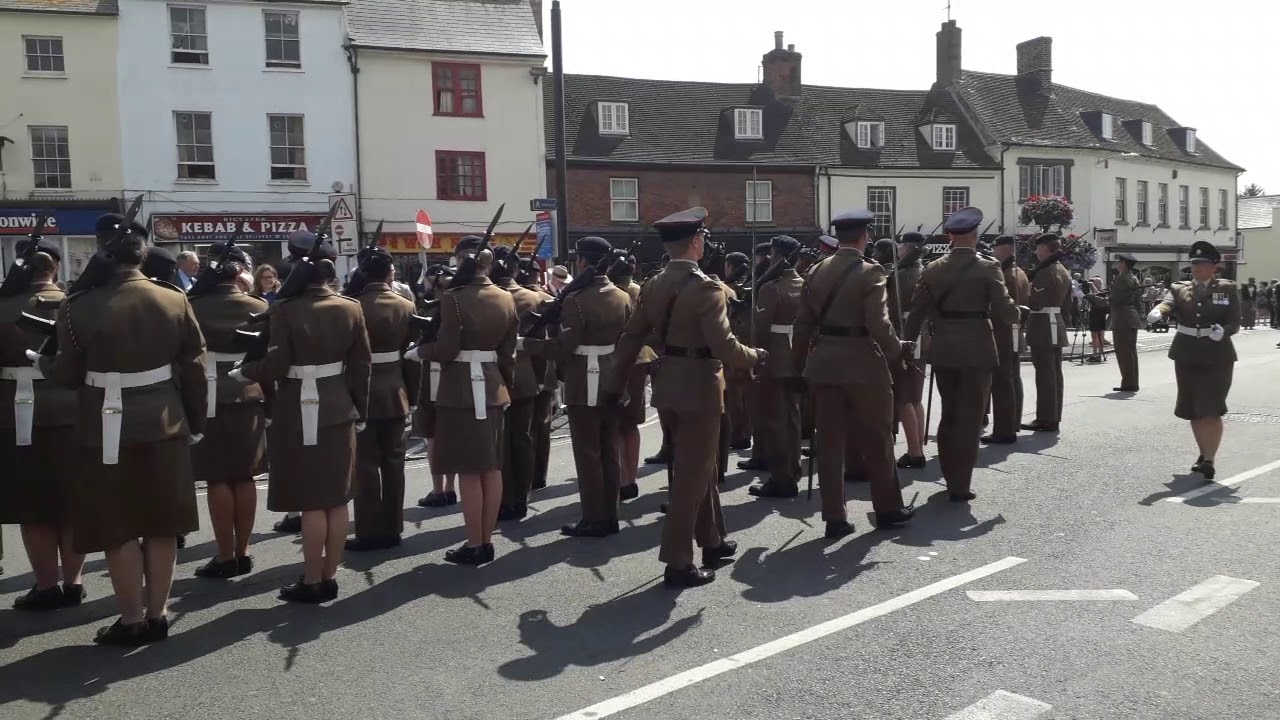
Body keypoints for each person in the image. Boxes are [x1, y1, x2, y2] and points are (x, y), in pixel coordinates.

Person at [42, 214, 207, 645]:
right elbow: (193, 366)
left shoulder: (77, 305)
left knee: (119, 525)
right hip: (165, 419)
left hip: (105, 425)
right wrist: (196, 419)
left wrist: (44, 363)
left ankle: (131, 618)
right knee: (161, 522)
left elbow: (68, 375)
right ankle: (158, 614)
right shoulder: (173, 298)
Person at [608, 207, 764, 588]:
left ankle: (712, 540)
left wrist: (612, 385)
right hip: (700, 386)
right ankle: (678, 561)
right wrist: (755, 356)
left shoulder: (653, 284)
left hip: (669, 384)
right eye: (703, 238)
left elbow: (631, 338)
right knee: (692, 477)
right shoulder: (706, 288)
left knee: (700, 467)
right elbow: (724, 346)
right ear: (696, 241)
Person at [234, 234, 371, 602]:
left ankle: (312, 579)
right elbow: (361, 366)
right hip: (339, 404)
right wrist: (360, 408)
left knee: (312, 500)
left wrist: (248, 371)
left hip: (298, 406)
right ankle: (330, 573)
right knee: (338, 498)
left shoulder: (285, 309)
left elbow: (276, 365)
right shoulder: (349, 307)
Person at [792, 211, 914, 534]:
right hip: (863, 363)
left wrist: (797, 369)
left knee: (830, 442)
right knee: (878, 437)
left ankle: (834, 515)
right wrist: (898, 349)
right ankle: (887, 508)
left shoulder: (816, 271)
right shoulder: (870, 272)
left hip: (824, 365)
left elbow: (802, 326)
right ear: (864, 236)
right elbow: (879, 323)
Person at [902, 208, 1020, 502]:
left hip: (943, 346)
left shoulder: (933, 268)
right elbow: (1006, 311)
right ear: (975, 235)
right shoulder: (989, 267)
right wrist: (1020, 314)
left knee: (949, 414)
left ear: (950, 236)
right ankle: (959, 484)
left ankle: (948, 470)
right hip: (977, 347)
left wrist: (906, 344)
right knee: (969, 417)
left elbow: (916, 312)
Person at [415, 237, 517, 565]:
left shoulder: (454, 299)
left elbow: (446, 349)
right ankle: (485, 540)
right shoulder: (505, 297)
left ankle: (475, 542)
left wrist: (421, 351)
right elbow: (507, 353)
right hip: (493, 385)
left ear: (461, 261)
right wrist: (505, 387)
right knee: (491, 466)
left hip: (460, 388)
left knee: (470, 471)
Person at [524, 237, 633, 537]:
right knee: (609, 450)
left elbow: (563, 348)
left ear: (583, 262)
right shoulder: (621, 295)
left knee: (587, 453)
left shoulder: (576, 300)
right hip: (613, 379)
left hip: (585, 382)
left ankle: (593, 518)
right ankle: (610, 514)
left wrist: (528, 344)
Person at [0, 237, 86, 610]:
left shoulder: (4, 305)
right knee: (71, 498)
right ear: (55, 268)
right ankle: (74, 581)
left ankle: (46, 585)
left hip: (19, 413)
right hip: (73, 409)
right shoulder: (77, 305)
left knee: (33, 503)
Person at [186, 242, 268, 578]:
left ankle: (224, 554)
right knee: (244, 475)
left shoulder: (193, 305)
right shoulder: (258, 304)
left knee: (219, 478)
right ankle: (243, 550)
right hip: (248, 392)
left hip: (209, 397)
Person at [1147, 241, 1240, 481]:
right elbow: (1169, 302)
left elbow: (1234, 321)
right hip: (1187, 353)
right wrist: (1159, 311)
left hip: (1217, 355)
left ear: (1214, 266)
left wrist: (1225, 331)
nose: (1197, 268)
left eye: (1202, 264)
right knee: (1194, 408)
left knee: (1211, 406)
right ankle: (1203, 453)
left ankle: (1209, 459)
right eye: (1194, 264)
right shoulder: (1180, 288)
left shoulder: (1227, 289)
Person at [348, 246, 419, 551]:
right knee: (394, 462)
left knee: (365, 464)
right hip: (395, 387)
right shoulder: (405, 305)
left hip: (360, 391)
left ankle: (369, 530)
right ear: (390, 273)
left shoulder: (352, 305)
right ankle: (393, 526)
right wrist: (412, 396)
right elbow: (412, 357)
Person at [490, 245, 551, 522]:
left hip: (493, 375)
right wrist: (540, 378)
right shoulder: (533, 297)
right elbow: (540, 343)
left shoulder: (487, 297)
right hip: (526, 372)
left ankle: (505, 499)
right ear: (517, 270)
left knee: (501, 440)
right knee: (523, 438)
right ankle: (522, 498)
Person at [746, 235, 805, 499]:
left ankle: (782, 478)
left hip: (775, 356)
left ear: (777, 255)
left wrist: (753, 358)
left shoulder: (771, 288)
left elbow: (760, 328)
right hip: (797, 355)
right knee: (792, 417)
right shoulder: (805, 284)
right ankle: (793, 468)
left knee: (774, 419)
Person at [607, 252, 652, 501]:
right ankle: (630, 479)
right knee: (631, 423)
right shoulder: (641, 291)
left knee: (615, 424)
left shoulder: (615, 293)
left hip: (617, 359)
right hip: (640, 359)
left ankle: (620, 477)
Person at [982, 234, 1030, 445]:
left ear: (1006, 250)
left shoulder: (1005, 274)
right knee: (1012, 378)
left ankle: (1004, 429)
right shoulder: (1019, 272)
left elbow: (1000, 306)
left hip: (1002, 330)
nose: (993, 252)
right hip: (1014, 328)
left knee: (1002, 381)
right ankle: (1013, 422)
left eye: (996, 248)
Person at [1022, 233, 1072, 433]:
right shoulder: (1063, 270)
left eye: (1038, 248)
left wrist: (1026, 290)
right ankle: (1053, 416)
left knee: (1045, 375)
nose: (1035, 252)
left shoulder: (1046, 272)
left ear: (1045, 249)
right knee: (1054, 373)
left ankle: (1045, 418)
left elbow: (1035, 302)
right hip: (1056, 323)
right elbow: (1067, 305)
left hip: (1043, 324)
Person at [890, 231, 930, 461]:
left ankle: (915, 451)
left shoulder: (900, 274)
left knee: (904, 397)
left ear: (907, 248)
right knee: (915, 396)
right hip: (923, 335)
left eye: (901, 246)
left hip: (905, 333)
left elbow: (893, 310)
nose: (899, 249)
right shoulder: (925, 271)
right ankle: (918, 448)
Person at [723, 251, 753, 452]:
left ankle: (738, 434)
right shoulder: (753, 285)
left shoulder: (731, 289)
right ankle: (745, 432)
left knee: (734, 393)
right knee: (745, 393)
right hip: (750, 344)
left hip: (736, 343)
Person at [1108, 254, 1143, 391]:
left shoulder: (1122, 278)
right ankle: (1132, 382)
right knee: (1130, 352)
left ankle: (1128, 383)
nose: (1117, 264)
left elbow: (1115, 299)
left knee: (1124, 352)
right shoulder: (1133, 277)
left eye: (1119, 262)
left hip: (1122, 318)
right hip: (1130, 316)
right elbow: (1137, 301)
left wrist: (1098, 301)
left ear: (1124, 264)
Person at [1083, 277, 1110, 363]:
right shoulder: (1091, 294)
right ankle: (1095, 353)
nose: (1093, 284)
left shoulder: (1103, 292)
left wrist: (1092, 285)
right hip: (1094, 315)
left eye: (1095, 283)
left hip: (1100, 315)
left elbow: (1099, 296)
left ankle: (1099, 354)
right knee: (1094, 335)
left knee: (1100, 334)